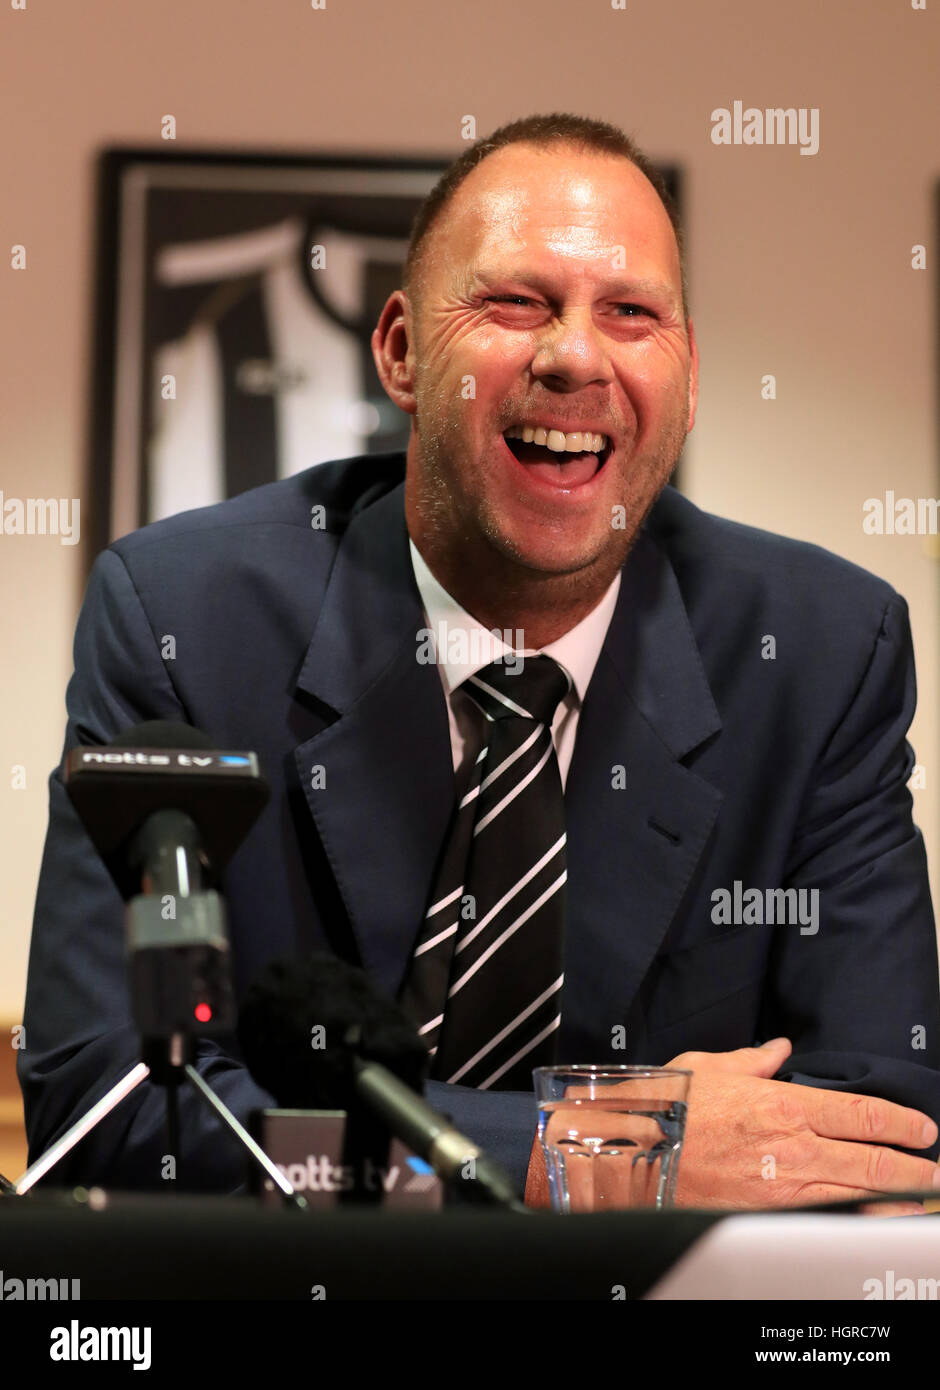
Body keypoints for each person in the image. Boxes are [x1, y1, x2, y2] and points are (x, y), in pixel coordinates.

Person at [19, 113, 940, 1213]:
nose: (574, 355)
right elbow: (109, 1104)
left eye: (631, 314)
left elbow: (878, 1124)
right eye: (516, 303)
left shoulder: (824, 653)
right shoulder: (183, 621)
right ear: (403, 352)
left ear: (687, 380)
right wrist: (584, 1151)